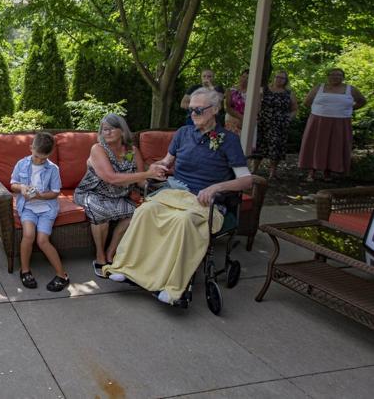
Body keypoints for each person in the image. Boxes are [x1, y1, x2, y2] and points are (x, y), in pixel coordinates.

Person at [104, 87, 253, 305]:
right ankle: (128, 269)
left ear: (214, 110)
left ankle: (173, 285)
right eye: (191, 110)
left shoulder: (228, 140)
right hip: (175, 193)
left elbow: (247, 180)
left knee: (182, 222)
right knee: (145, 211)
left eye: (198, 110)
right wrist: (158, 166)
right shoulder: (183, 133)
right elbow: (167, 161)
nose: (193, 114)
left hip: (205, 202)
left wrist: (216, 188)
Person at [73, 114, 166, 278]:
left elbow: (139, 178)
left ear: (122, 131)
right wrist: (146, 173)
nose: (105, 132)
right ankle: (100, 258)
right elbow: (111, 178)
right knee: (102, 213)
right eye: (103, 129)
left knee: (137, 213)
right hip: (93, 192)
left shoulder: (131, 150)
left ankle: (111, 253)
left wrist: (156, 182)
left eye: (110, 129)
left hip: (118, 195)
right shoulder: (98, 149)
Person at [10, 132, 69, 292]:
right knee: (28, 235)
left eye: (43, 158)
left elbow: (56, 192)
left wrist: (40, 195)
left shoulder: (53, 169)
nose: (39, 160)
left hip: (46, 208)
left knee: (42, 240)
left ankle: (62, 275)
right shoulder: (21, 164)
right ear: (31, 148)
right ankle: (25, 271)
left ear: (50, 154)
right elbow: (13, 184)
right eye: (36, 156)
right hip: (28, 207)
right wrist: (22, 187)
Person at [299, 68, 367, 181]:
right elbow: (307, 102)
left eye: (339, 75)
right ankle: (311, 172)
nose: (336, 77)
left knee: (334, 146)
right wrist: (320, 110)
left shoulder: (351, 89)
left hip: (341, 122)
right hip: (318, 121)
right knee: (315, 145)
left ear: (343, 77)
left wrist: (348, 109)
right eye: (333, 74)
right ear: (328, 76)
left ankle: (328, 173)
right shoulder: (319, 88)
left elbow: (362, 101)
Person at [251, 70, 298, 179]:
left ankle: (272, 172)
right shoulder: (264, 90)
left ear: (286, 80)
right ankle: (254, 169)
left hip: (279, 124)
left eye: (282, 78)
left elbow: (295, 109)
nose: (279, 79)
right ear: (274, 77)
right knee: (259, 146)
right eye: (277, 77)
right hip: (263, 122)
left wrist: (288, 119)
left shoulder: (289, 93)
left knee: (275, 147)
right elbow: (256, 104)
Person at [224, 70, 248, 135]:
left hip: (245, 122)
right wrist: (240, 118)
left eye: (247, 78)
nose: (244, 80)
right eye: (243, 77)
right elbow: (227, 107)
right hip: (231, 120)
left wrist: (243, 120)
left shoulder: (251, 93)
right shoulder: (231, 90)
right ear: (240, 77)